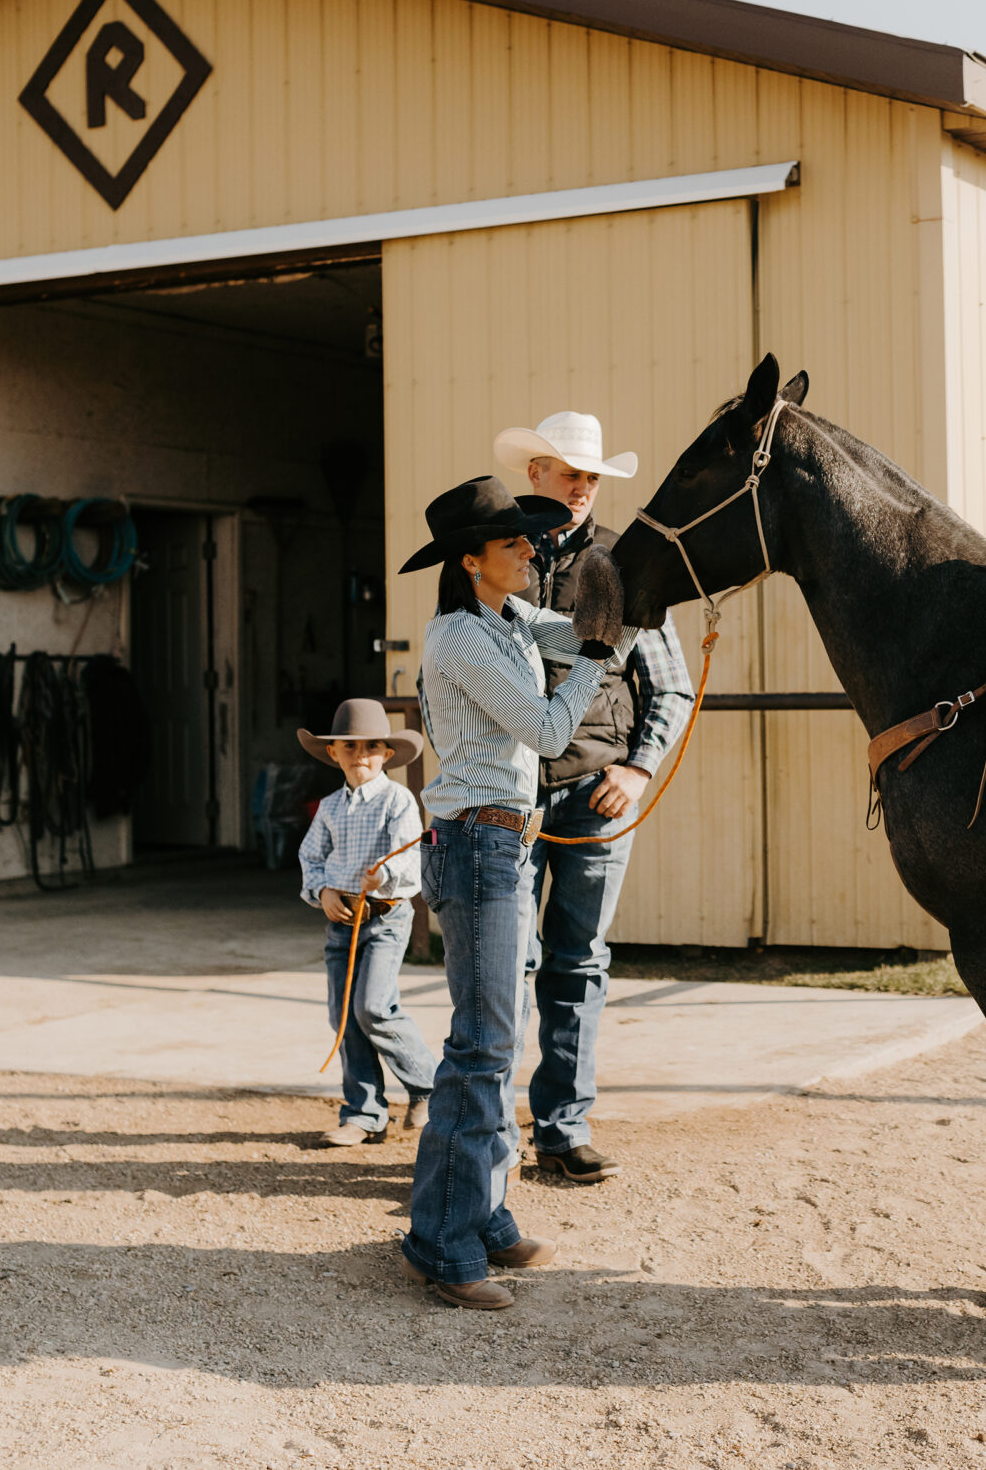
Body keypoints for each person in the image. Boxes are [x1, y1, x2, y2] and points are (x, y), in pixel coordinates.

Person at [398, 475, 632, 1310]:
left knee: (499, 1033)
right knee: (483, 1043)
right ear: (471, 562)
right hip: (476, 844)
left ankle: (484, 1211)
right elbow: (545, 728)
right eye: (514, 543)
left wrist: (628, 602)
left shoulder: (509, 620)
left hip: (501, 839)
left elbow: (587, 633)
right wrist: (596, 664)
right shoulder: (459, 638)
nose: (533, 551)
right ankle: (443, 1238)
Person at [492, 411, 694, 1185]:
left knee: (577, 963)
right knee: (506, 965)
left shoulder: (625, 566)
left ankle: (562, 1130)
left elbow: (669, 684)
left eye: (590, 476)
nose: (580, 487)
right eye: (567, 472)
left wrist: (637, 770)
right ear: (535, 474)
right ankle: (491, 1135)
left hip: (596, 791)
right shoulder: (491, 554)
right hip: (506, 798)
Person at [293, 700, 433, 1147]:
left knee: (372, 1006)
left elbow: (409, 859)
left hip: (385, 917)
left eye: (372, 746)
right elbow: (310, 858)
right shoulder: (331, 807)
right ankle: (365, 1112)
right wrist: (324, 892)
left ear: (387, 753)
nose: (361, 755)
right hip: (341, 922)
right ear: (333, 753)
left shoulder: (398, 801)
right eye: (350, 747)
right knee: (344, 1017)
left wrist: (383, 874)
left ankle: (430, 1087)